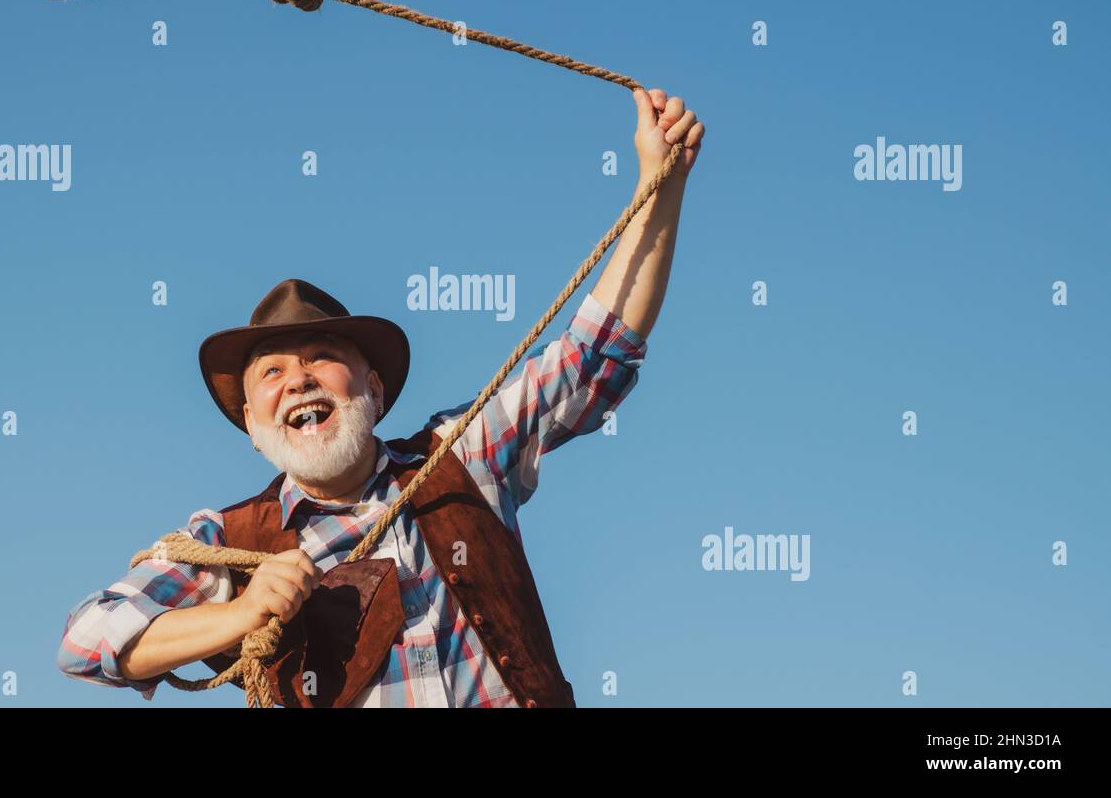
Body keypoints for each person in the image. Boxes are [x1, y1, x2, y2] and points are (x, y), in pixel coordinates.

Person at [55, 88, 704, 707]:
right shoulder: (229, 542)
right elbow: (88, 640)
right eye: (272, 374)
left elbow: (595, 351)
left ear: (374, 387)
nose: (300, 380)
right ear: (252, 426)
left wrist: (661, 181)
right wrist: (238, 613)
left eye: (322, 359)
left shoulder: (463, 456)